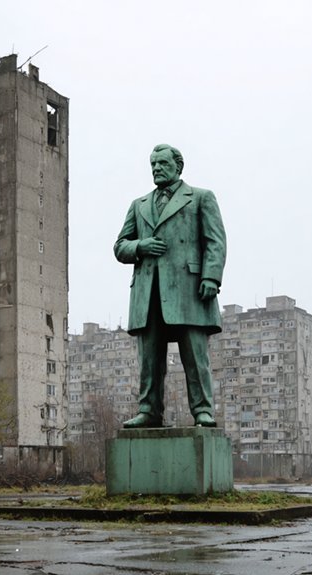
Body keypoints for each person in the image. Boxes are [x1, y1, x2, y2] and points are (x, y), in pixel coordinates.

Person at [114, 144, 227, 428]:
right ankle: (149, 410)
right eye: (152, 164)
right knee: (149, 360)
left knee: (195, 356)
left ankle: (203, 410)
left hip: (188, 290)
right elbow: (119, 247)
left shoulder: (200, 198)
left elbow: (215, 241)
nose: (156, 169)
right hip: (148, 292)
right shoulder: (139, 205)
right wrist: (141, 245)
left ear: (178, 166)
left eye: (162, 163)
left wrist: (211, 277)